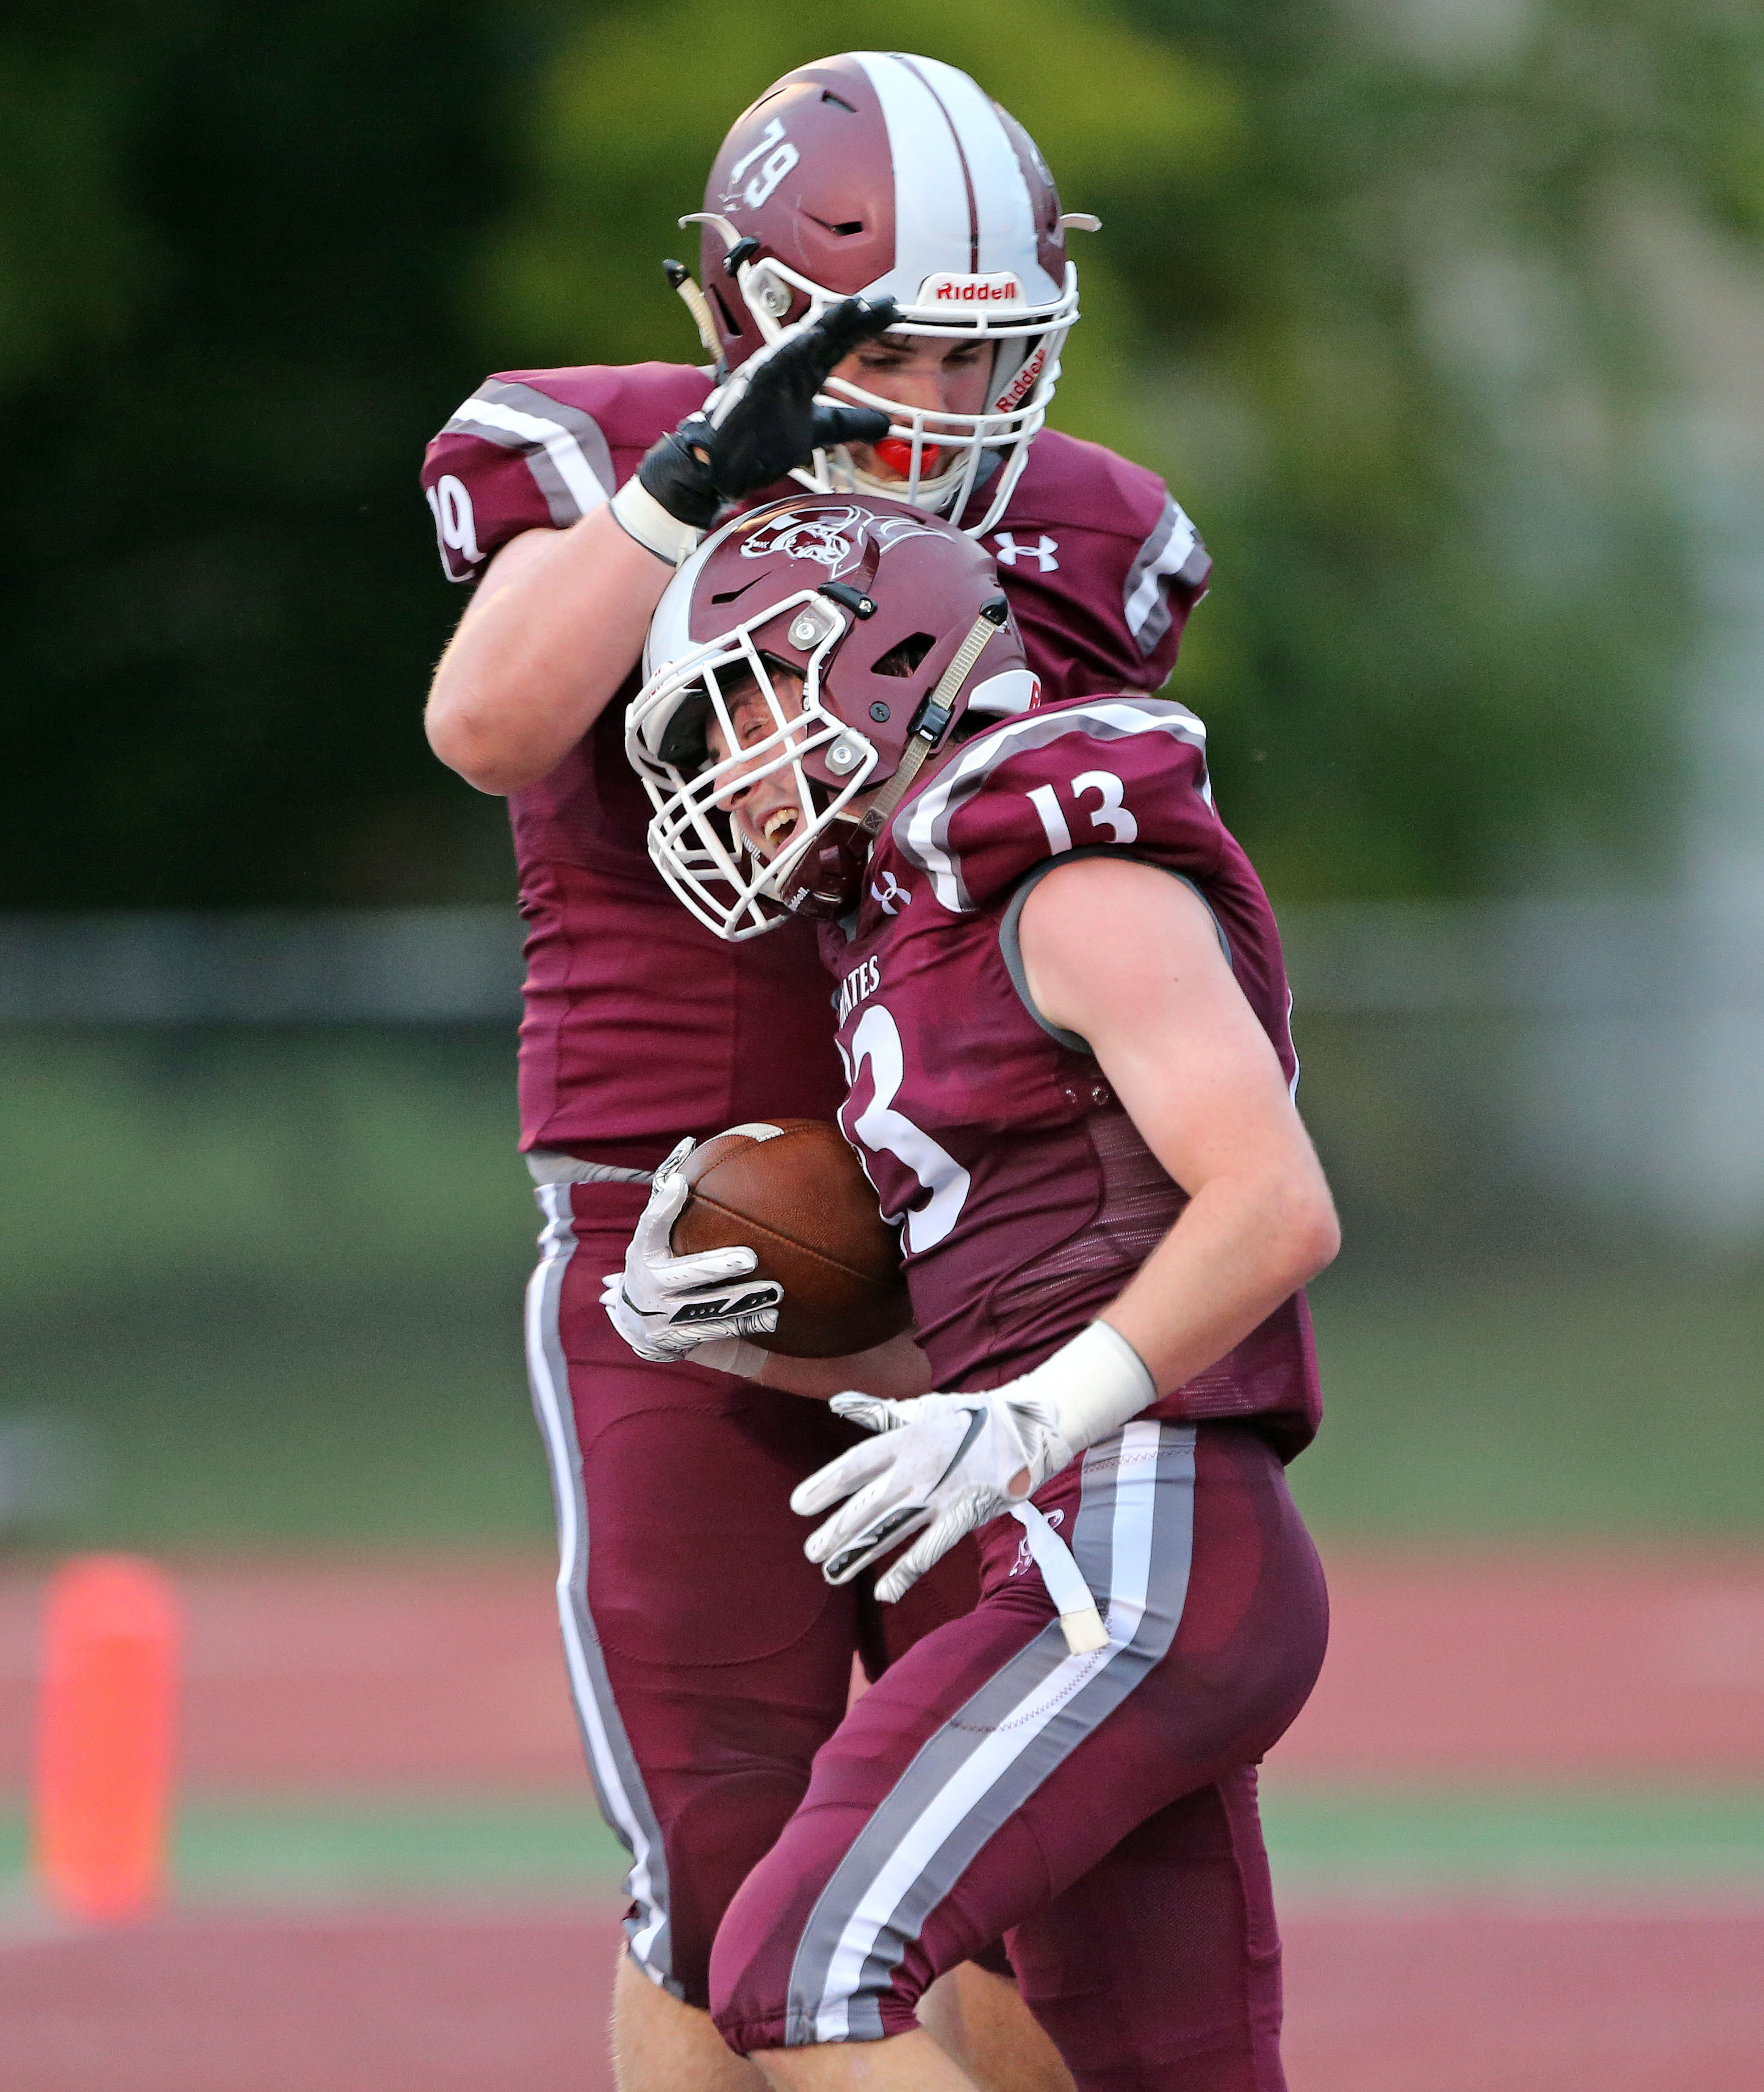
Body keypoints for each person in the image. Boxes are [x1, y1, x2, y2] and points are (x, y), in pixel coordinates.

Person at [422, 51, 1209, 2091]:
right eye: (908, 355)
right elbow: (492, 726)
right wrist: (697, 476)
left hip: (989, 1248)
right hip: (673, 1230)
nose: (955, 410)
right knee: (718, 1878)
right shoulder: (598, 458)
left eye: (993, 355)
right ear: (757, 305)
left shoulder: (1090, 533)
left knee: (1013, 1877)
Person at [613, 491, 1337, 2091]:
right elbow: (1005, 1315)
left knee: (800, 1970)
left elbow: (1274, 1205)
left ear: (878, 656)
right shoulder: (910, 922)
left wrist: (1024, 1422)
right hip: (1095, 1540)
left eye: (742, 695)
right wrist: (760, 1345)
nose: (727, 764)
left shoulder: (1068, 877)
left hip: (1139, 1540)